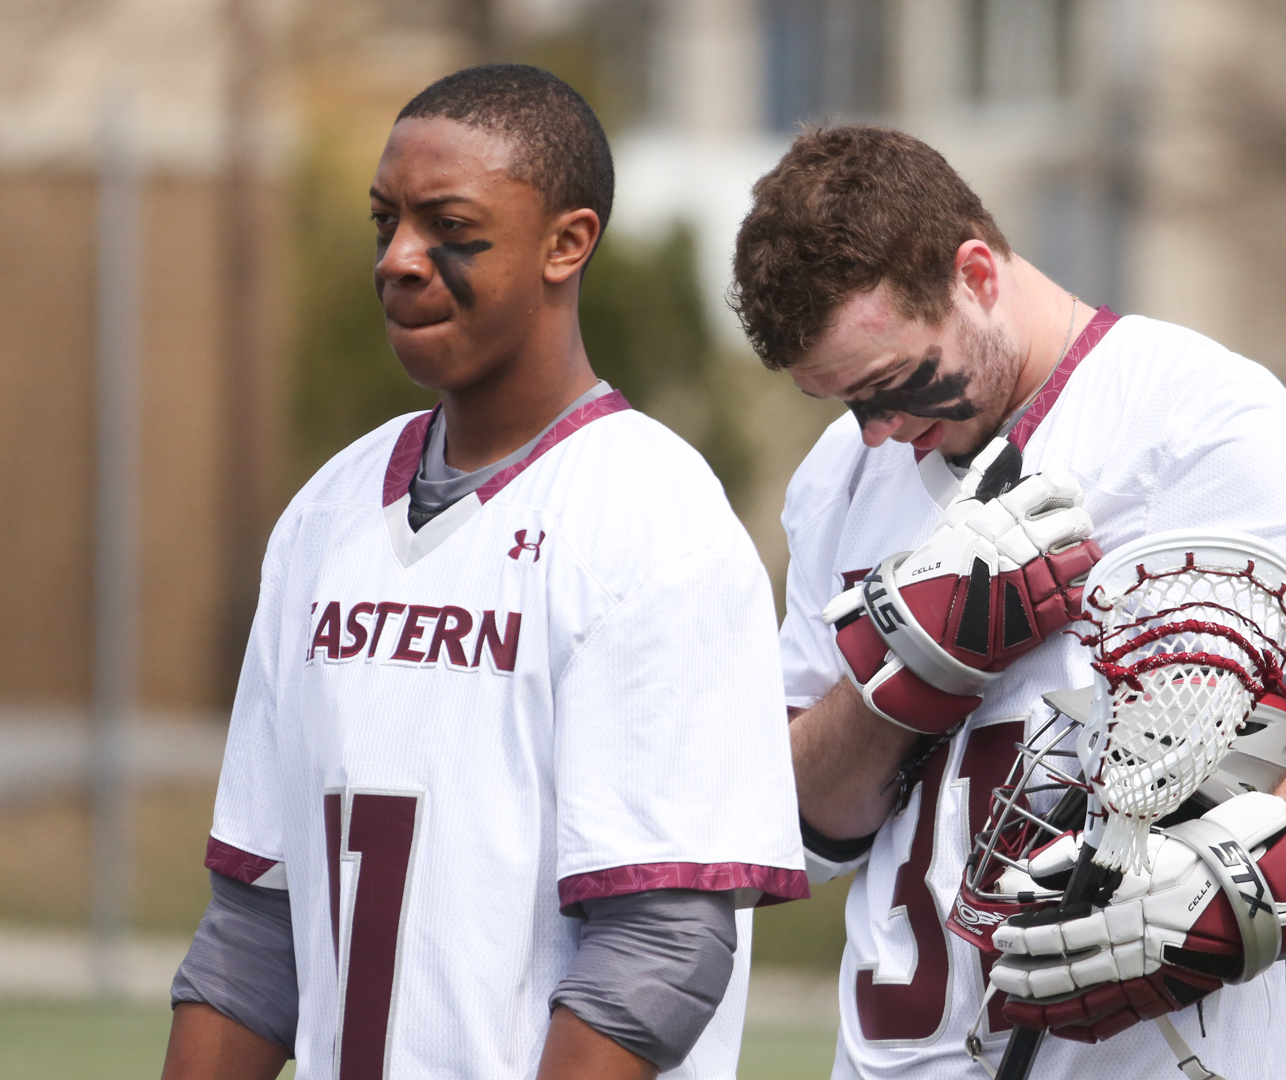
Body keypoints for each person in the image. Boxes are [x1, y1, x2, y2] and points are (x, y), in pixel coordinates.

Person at [732, 125, 1286, 1079]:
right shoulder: (838, 479)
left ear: (976, 273)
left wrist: (1241, 878)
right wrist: (911, 675)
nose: (882, 431)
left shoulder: (1187, 410)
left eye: (893, 384)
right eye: (844, 402)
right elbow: (793, 828)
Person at [159, 65, 806, 1080]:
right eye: (385, 222)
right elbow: (254, 931)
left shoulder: (652, 516)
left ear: (566, 242)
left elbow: (660, 953)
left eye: (447, 225)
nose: (399, 260)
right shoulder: (328, 511)